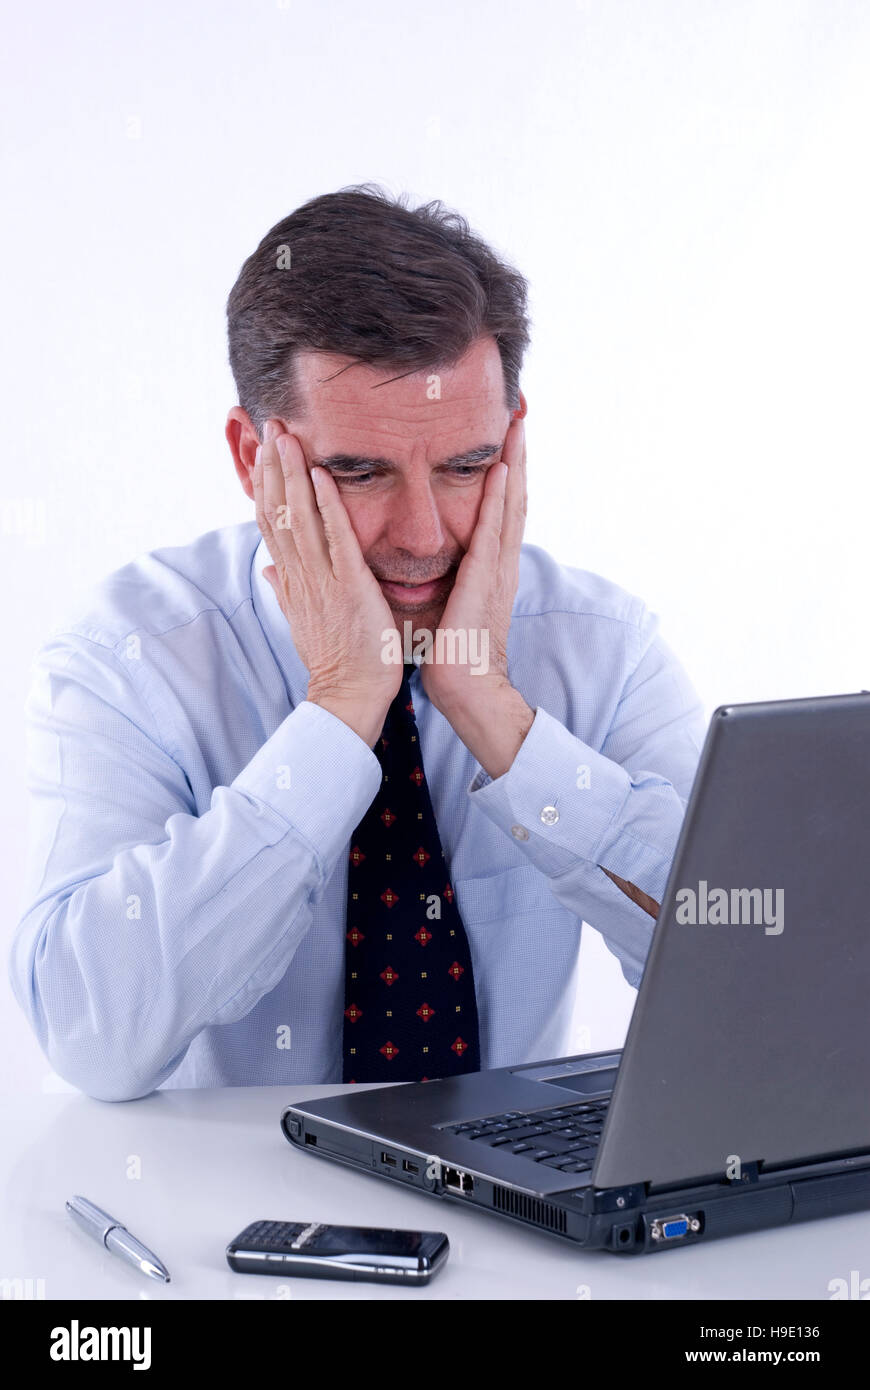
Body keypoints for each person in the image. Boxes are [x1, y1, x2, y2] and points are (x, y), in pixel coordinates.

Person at [9, 185, 706, 1100]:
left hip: (522, 1228)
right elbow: (88, 1034)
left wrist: (496, 713)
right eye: (359, 471)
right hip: (222, 1229)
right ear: (253, 458)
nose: (422, 536)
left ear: (514, 443)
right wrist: (341, 707)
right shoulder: (131, 660)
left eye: (467, 467)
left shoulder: (603, 649)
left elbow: (759, 982)